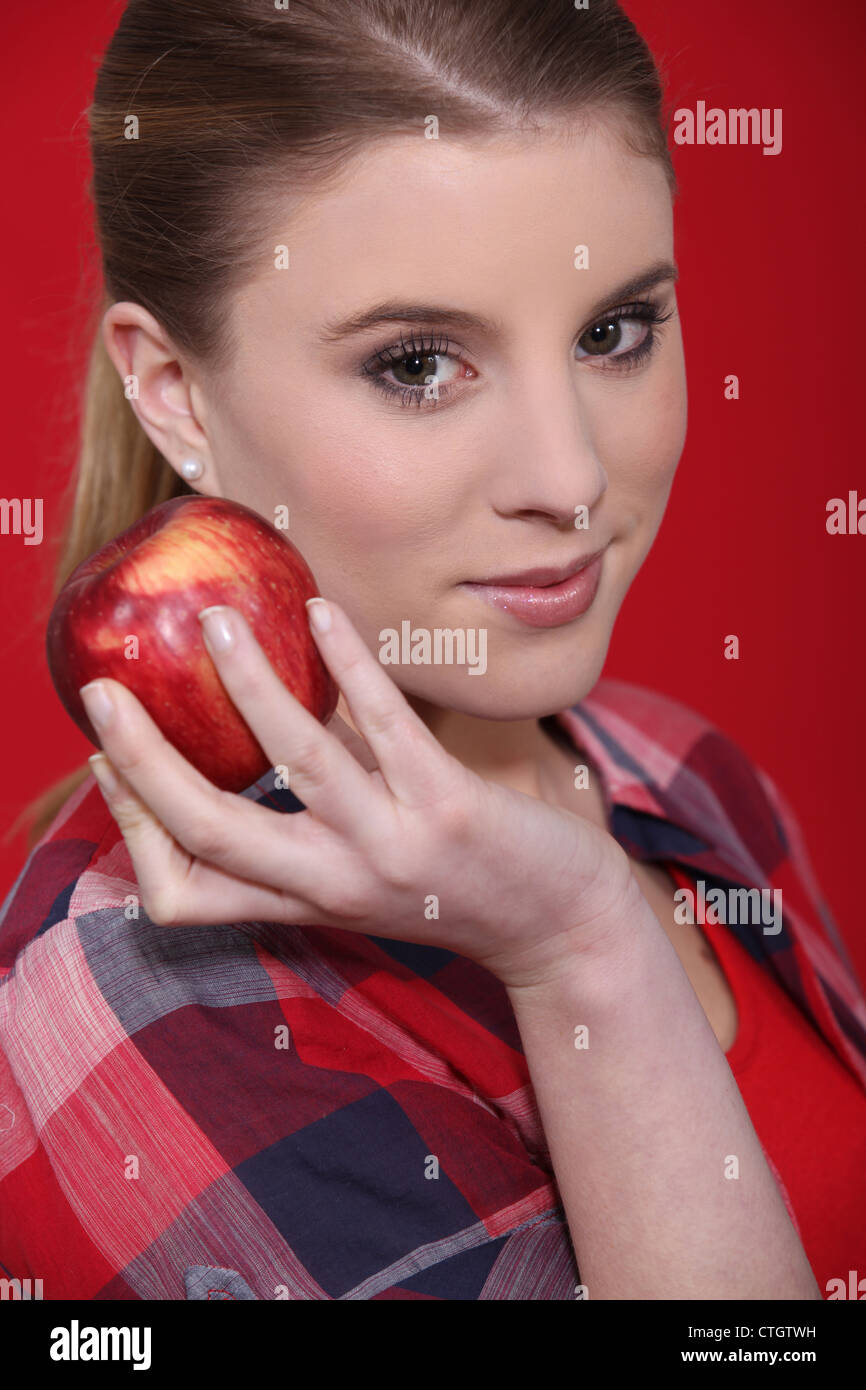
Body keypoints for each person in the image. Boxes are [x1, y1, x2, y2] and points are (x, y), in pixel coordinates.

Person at [1, 0, 864, 1302]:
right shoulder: (142, 995)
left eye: (613, 332)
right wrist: (585, 948)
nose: (569, 476)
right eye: (416, 364)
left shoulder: (676, 770)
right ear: (173, 389)